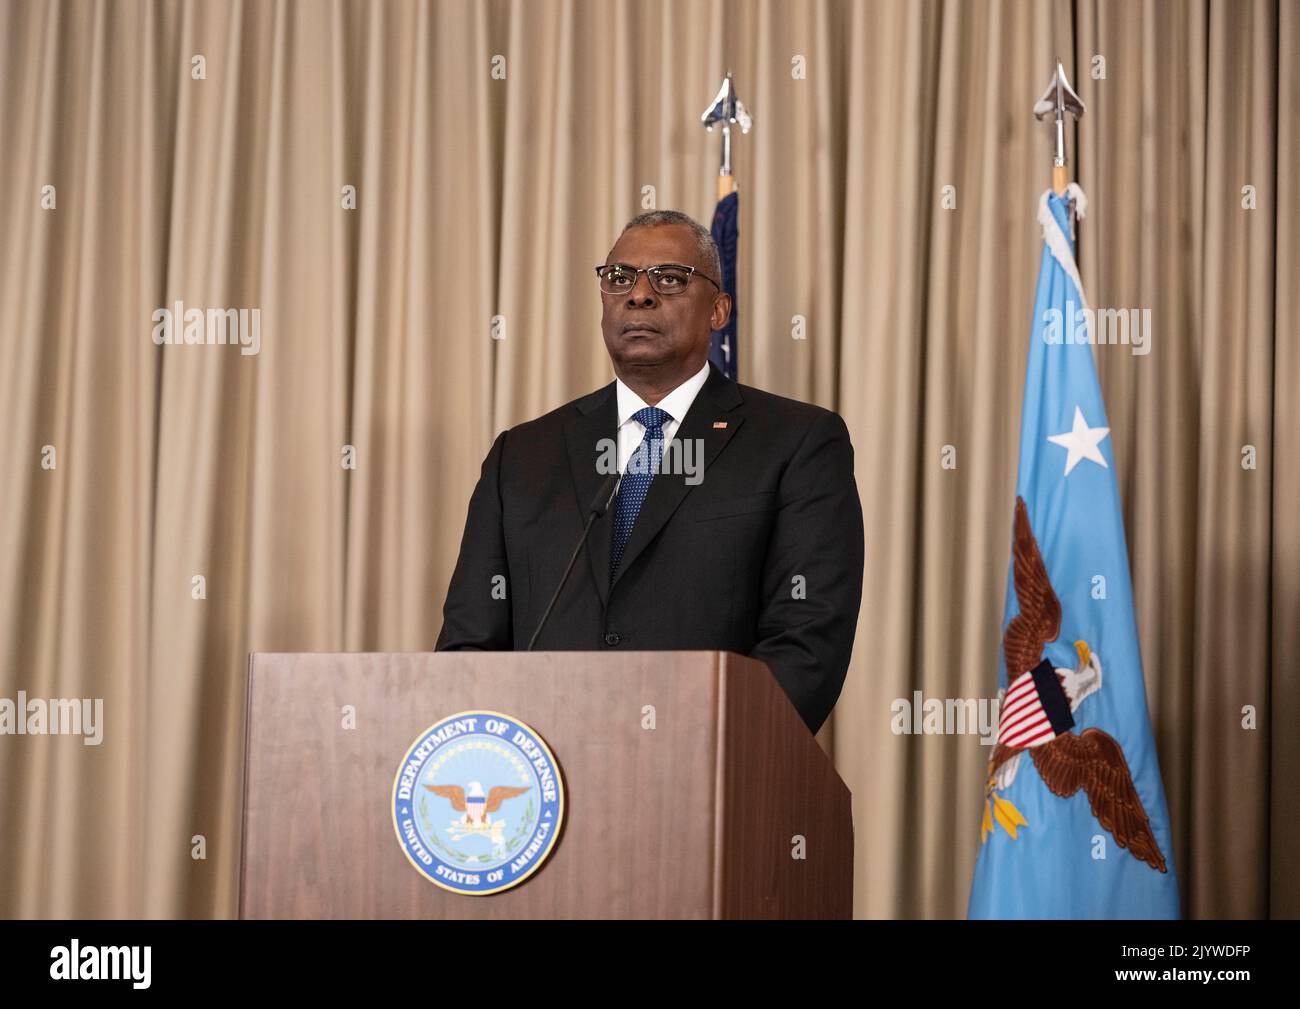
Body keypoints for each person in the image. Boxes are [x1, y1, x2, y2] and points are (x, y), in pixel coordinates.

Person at [435, 210, 864, 734]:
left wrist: (701, 750)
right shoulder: (522, 455)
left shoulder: (797, 442)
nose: (639, 295)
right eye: (619, 279)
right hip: (543, 779)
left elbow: (807, 642)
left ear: (719, 310)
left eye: (670, 278)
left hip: (709, 773)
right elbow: (469, 643)